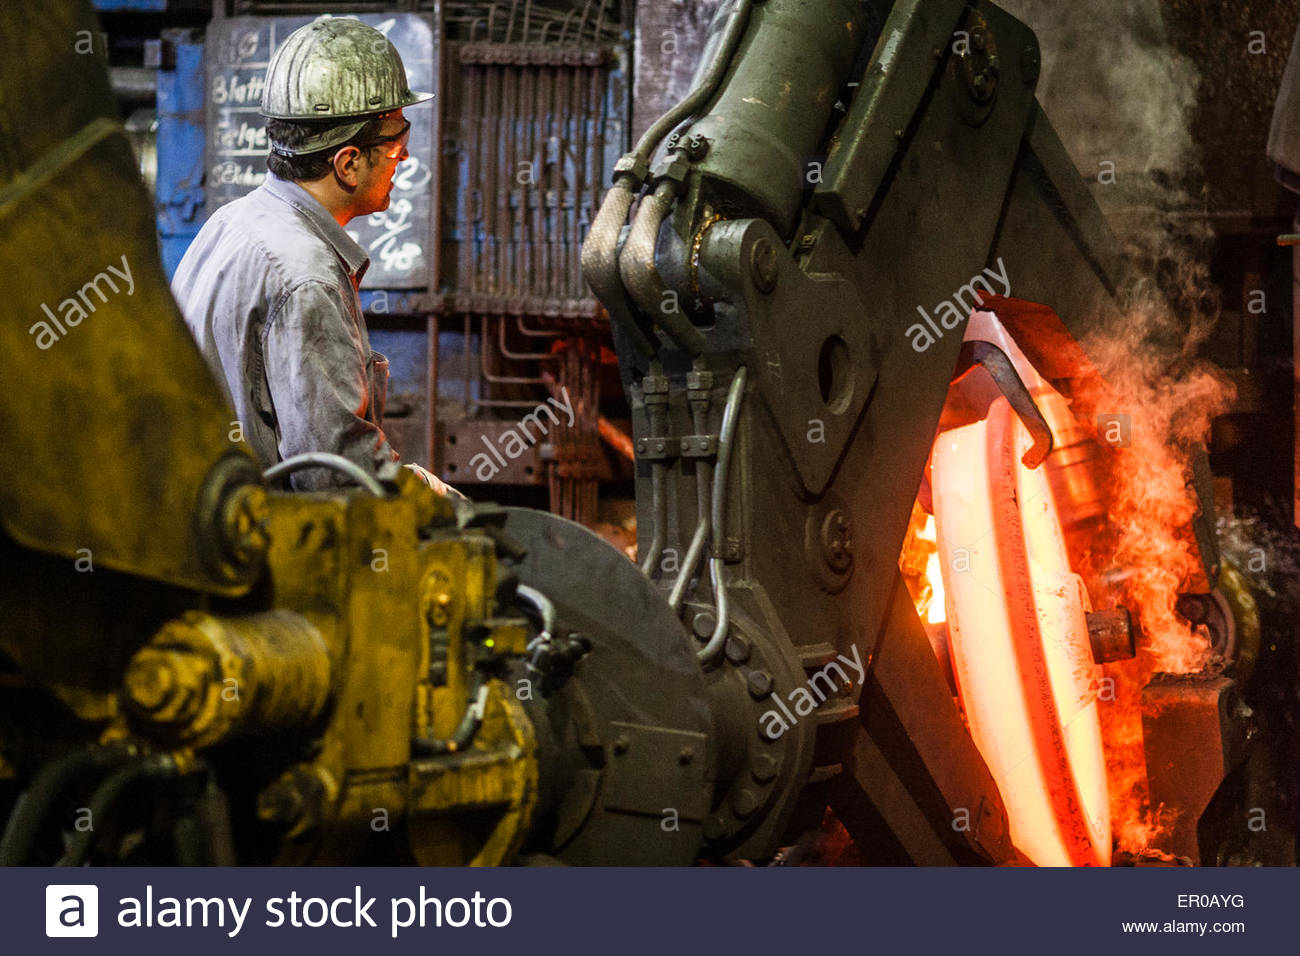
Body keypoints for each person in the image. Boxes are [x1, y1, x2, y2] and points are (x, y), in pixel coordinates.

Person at [172, 17, 458, 495]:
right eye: (396, 144)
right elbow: (335, 477)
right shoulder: (306, 277)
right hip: (259, 553)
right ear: (347, 163)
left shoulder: (230, 222)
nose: (403, 160)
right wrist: (431, 498)